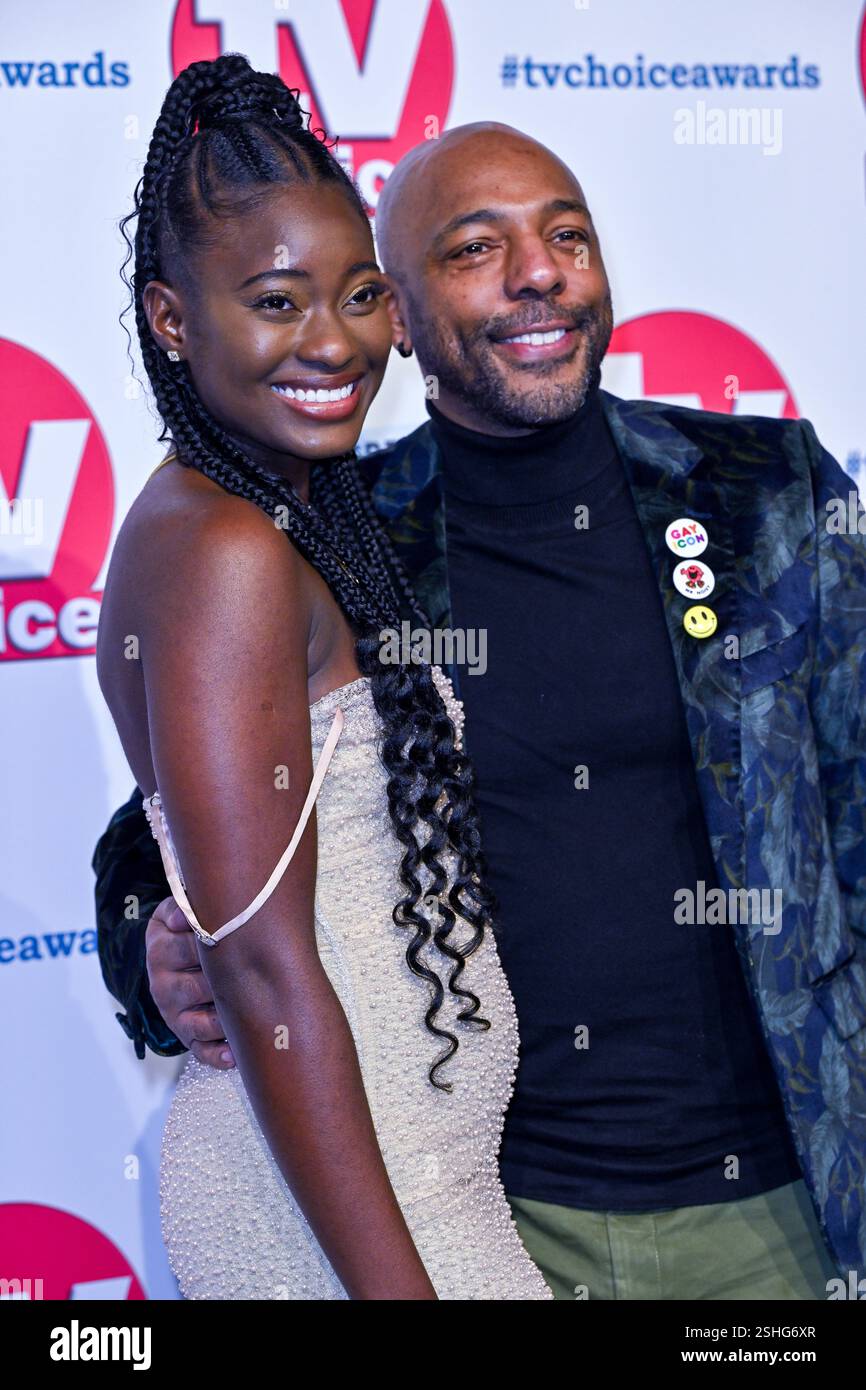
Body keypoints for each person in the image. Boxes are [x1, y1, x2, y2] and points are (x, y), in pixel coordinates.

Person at [95, 117, 866, 1301]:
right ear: (394, 311)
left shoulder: (765, 493)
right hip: (498, 1215)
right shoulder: (345, 538)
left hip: (780, 1208)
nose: (537, 272)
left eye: (566, 235)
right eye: (473, 248)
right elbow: (175, 830)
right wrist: (160, 938)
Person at [95, 55, 553, 1302]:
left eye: (357, 295)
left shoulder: (282, 515)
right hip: (345, 1218)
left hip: (402, 1179)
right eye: (278, 301)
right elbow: (255, 961)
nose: (333, 343)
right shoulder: (223, 549)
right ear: (172, 318)